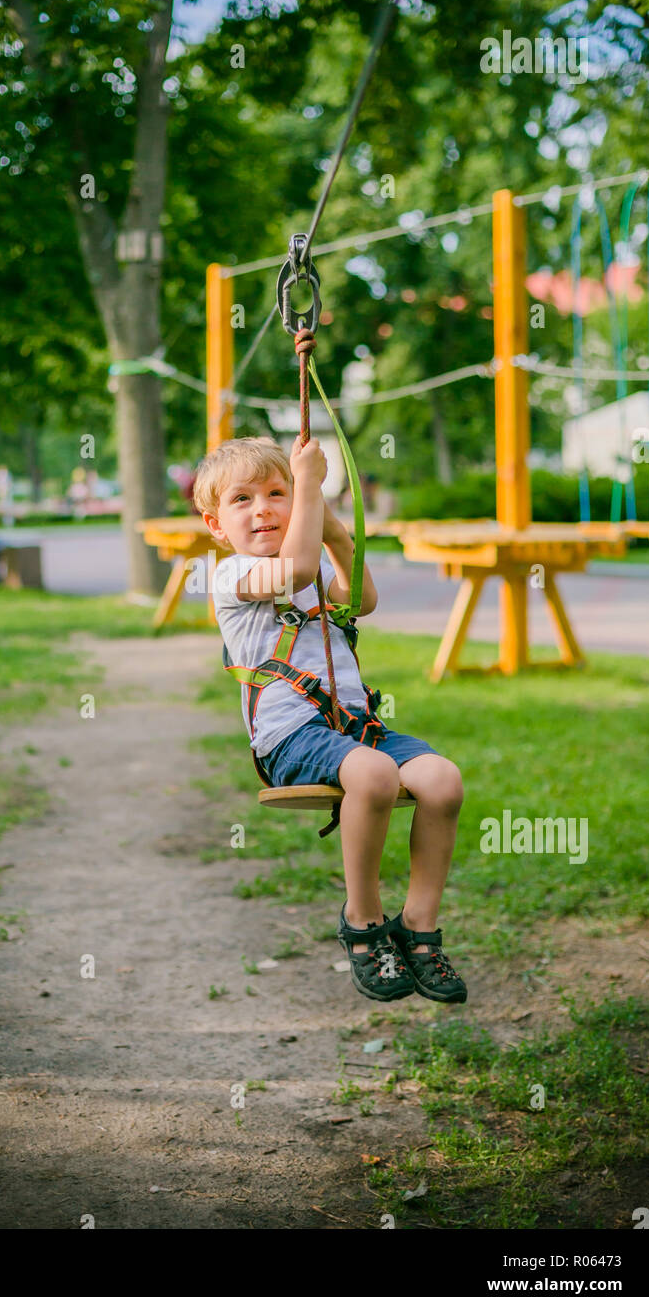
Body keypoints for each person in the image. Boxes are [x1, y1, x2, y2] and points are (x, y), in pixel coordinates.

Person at [194, 427, 467, 1007]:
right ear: (217, 526)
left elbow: (360, 599)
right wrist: (310, 487)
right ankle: (363, 922)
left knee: (442, 780)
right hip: (290, 737)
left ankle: (418, 928)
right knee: (372, 775)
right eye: (242, 500)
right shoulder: (233, 576)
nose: (263, 508)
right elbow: (291, 573)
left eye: (277, 492)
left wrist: (333, 529)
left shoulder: (310, 559)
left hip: (353, 728)